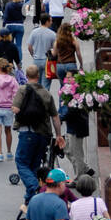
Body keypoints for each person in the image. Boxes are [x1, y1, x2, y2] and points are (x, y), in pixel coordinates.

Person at [12, 66, 65, 201]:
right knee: (35, 165)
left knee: (22, 162)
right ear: (38, 76)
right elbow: (55, 117)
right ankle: (30, 197)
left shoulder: (22, 90)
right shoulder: (46, 93)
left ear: (27, 75)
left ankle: (34, 187)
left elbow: (16, 109)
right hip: (43, 134)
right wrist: (58, 135)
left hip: (27, 131)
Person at [27, 15, 56, 87]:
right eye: (51, 20)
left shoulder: (34, 32)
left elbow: (29, 46)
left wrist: (33, 54)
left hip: (36, 60)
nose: (51, 22)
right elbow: (55, 48)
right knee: (46, 84)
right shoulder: (52, 34)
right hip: (47, 61)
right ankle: (44, 97)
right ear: (47, 22)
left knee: (36, 83)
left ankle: (37, 97)